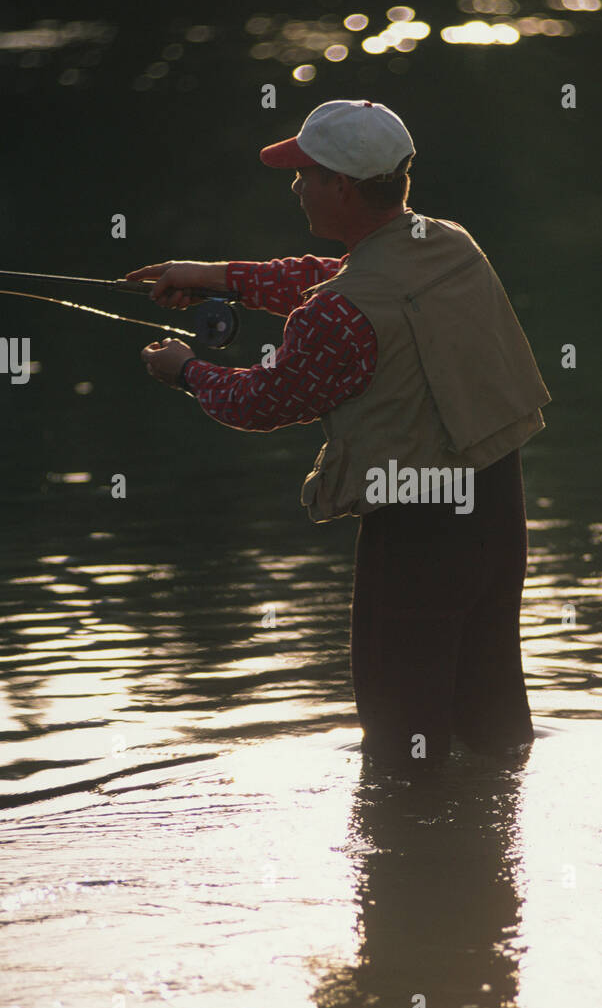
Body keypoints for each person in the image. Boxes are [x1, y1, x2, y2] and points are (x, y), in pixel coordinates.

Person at [129, 99, 551, 768]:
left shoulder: (336, 314)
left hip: (416, 536)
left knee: (398, 745)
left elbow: (264, 400)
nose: (295, 187)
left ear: (341, 187)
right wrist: (216, 277)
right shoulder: (449, 243)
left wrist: (187, 371)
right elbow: (336, 276)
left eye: (304, 174)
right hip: (498, 515)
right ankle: (490, 861)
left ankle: (404, 864)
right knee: (494, 722)